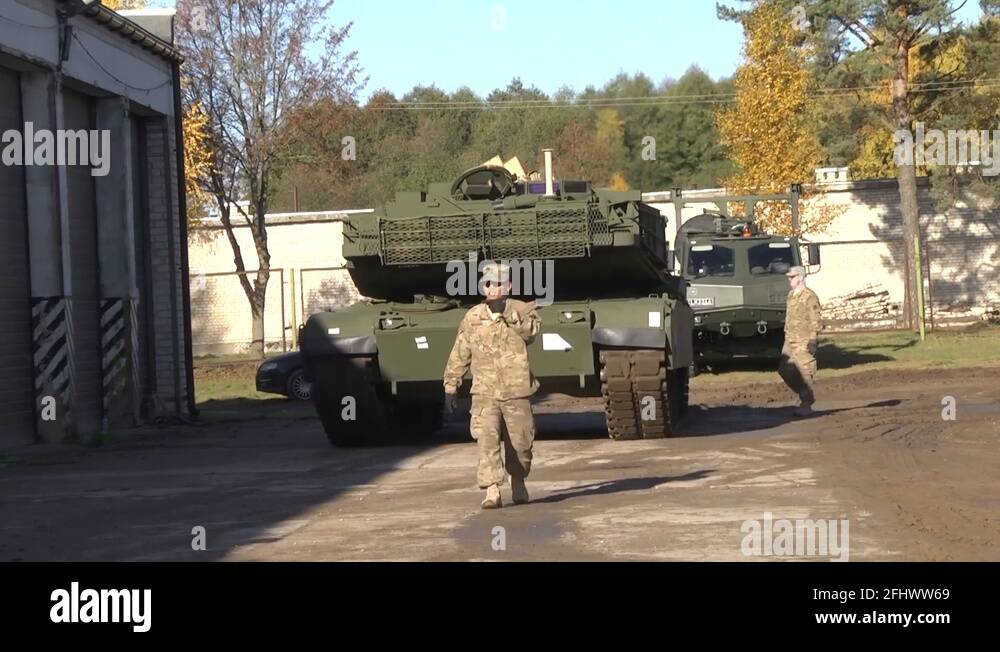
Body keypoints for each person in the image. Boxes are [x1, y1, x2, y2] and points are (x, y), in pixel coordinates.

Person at [443, 262, 541, 509]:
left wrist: (509, 313)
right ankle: (492, 489)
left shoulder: (523, 309)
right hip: (484, 391)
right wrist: (451, 385)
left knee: (520, 442)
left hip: (516, 389)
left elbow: (531, 333)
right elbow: (460, 352)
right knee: (486, 440)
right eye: (487, 284)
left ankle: (518, 481)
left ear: (507, 286)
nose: (492, 288)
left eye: (497, 284)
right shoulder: (473, 316)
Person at [779, 266, 823, 416]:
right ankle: (803, 394)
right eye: (789, 277)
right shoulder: (791, 295)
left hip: (804, 340)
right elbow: (789, 317)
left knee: (805, 371)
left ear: (801, 277)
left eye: (792, 277)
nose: (789, 279)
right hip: (790, 339)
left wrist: (813, 339)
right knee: (785, 369)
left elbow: (816, 319)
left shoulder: (809, 296)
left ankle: (806, 403)